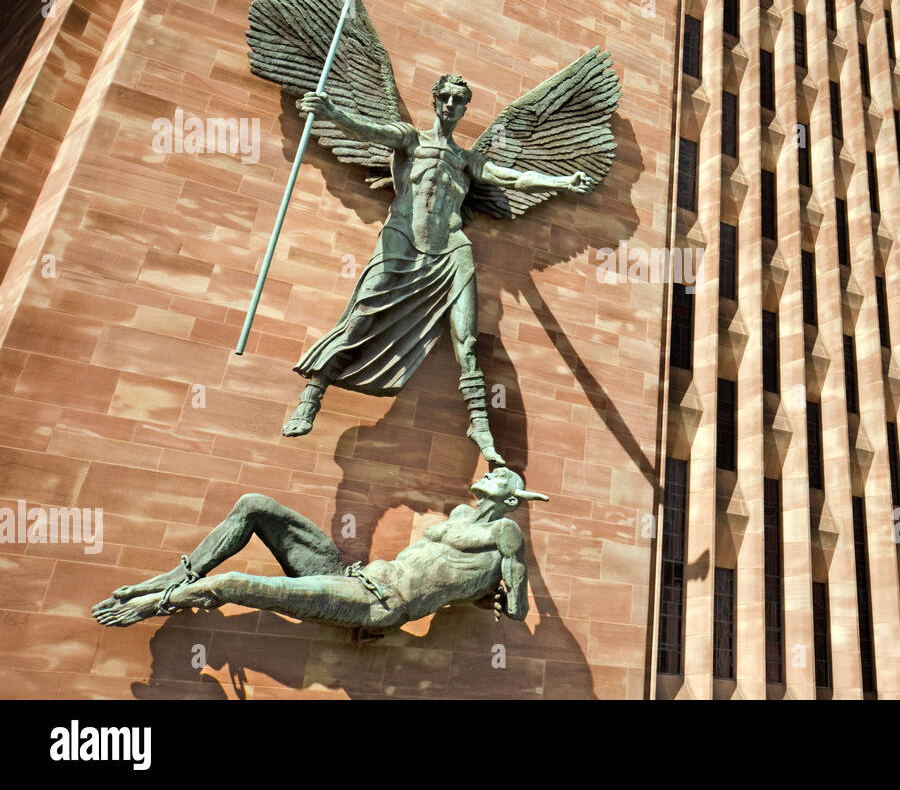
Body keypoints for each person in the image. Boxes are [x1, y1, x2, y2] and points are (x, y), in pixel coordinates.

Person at [281, 74, 595, 473]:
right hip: (402, 237)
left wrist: (562, 181)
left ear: (465, 108)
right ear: (434, 101)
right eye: (444, 97)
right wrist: (331, 112)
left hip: (451, 248)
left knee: (466, 341)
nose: (450, 104)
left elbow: (512, 177)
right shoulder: (410, 139)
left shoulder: (467, 161)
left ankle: (481, 428)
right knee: (361, 314)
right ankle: (312, 396)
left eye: (458, 100)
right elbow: (366, 130)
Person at [91, 467, 547, 631]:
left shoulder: (506, 535)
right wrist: (472, 592)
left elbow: (518, 611)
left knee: (232, 585)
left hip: (376, 603)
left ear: (511, 502)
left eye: (503, 477)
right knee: (255, 506)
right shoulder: (462, 517)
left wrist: (502, 596)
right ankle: (179, 577)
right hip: (352, 575)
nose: (495, 471)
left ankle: (154, 605)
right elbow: (452, 577)